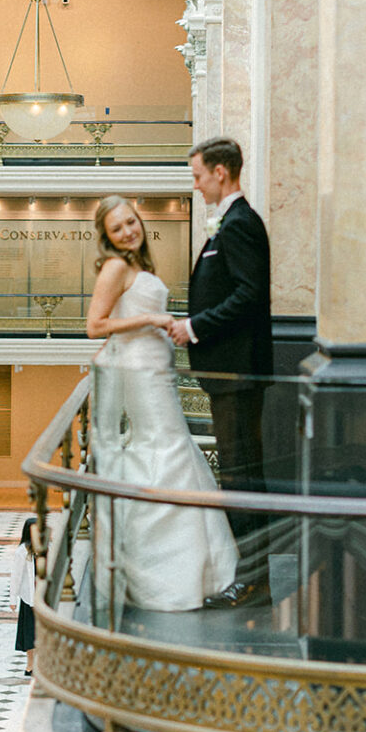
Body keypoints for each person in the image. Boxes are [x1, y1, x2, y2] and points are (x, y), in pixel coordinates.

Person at [87, 194, 236, 610]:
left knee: (174, 447)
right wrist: (152, 319)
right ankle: (166, 572)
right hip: (137, 370)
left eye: (131, 222)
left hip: (156, 367)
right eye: (117, 228)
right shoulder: (115, 267)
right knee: (165, 446)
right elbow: (95, 325)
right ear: (106, 237)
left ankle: (199, 568)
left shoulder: (138, 265)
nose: (127, 232)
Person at [168, 136, 273, 610]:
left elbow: (249, 295)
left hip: (237, 373)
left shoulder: (240, 225)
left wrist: (194, 327)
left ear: (221, 173)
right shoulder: (229, 222)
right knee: (238, 475)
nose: (196, 186)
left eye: (198, 176)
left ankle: (253, 580)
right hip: (228, 374)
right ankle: (250, 576)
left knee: (242, 479)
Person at [10, 517, 38, 678]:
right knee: (29, 633)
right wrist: (12, 599)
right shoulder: (22, 552)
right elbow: (16, 576)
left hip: (44, 597)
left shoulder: (47, 547)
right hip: (30, 598)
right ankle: (30, 665)